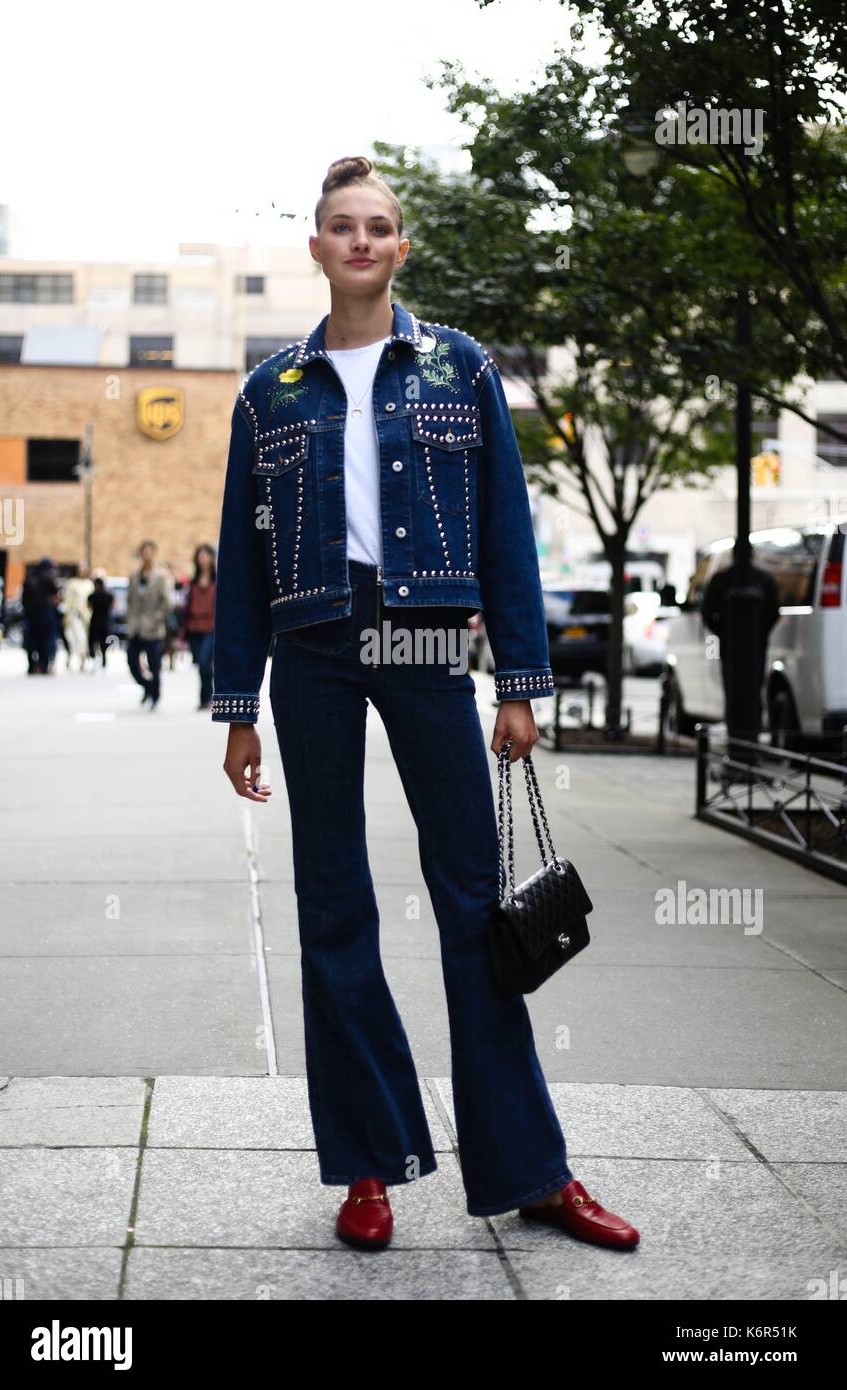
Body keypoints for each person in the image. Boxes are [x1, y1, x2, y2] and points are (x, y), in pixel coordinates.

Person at [212, 155, 639, 1252]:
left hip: (423, 635)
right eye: (341, 227)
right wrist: (237, 704)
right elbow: (244, 563)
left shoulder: (460, 370)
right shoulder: (271, 393)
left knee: (470, 903)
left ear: (401, 246)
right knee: (332, 905)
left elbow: (506, 530)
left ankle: (530, 1167)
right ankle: (366, 1164)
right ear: (316, 248)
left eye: (380, 226)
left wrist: (519, 683)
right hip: (312, 645)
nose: (361, 241)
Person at [701, 548, 782, 745]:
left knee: (734, 692)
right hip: (752, 646)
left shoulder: (723, 579)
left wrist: (722, 631)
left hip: (735, 646)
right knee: (753, 691)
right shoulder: (763, 580)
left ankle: (737, 737)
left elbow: (707, 612)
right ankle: (748, 738)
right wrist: (759, 632)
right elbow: (774, 612)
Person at [126, 540, 174, 710]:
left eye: (150, 551)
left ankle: (155, 695)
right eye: (144, 551)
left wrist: (156, 618)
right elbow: (130, 601)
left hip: (153, 629)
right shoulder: (135, 576)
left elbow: (168, 603)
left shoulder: (161, 577)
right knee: (132, 662)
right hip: (136, 628)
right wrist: (130, 621)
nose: (147, 555)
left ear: (154, 553)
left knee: (154, 665)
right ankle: (147, 686)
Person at [180, 544, 216, 710]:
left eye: (206, 555)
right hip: (194, 627)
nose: (203, 558)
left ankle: (208, 697)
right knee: (200, 664)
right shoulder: (193, 581)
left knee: (204, 662)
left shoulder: (217, 579)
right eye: (200, 555)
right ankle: (204, 698)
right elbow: (187, 606)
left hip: (212, 626)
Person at [62, 561, 95, 671]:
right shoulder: (72, 583)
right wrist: (67, 616)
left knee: (83, 639)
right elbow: (67, 600)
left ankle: (83, 660)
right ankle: (70, 658)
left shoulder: (89, 584)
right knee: (72, 638)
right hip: (74, 614)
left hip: (85, 616)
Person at [87, 571, 114, 669]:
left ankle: (94, 658)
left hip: (95, 620)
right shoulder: (109, 596)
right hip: (105, 621)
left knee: (93, 641)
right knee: (103, 642)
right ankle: (103, 660)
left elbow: (88, 606)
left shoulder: (92, 596)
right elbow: (113, 606)